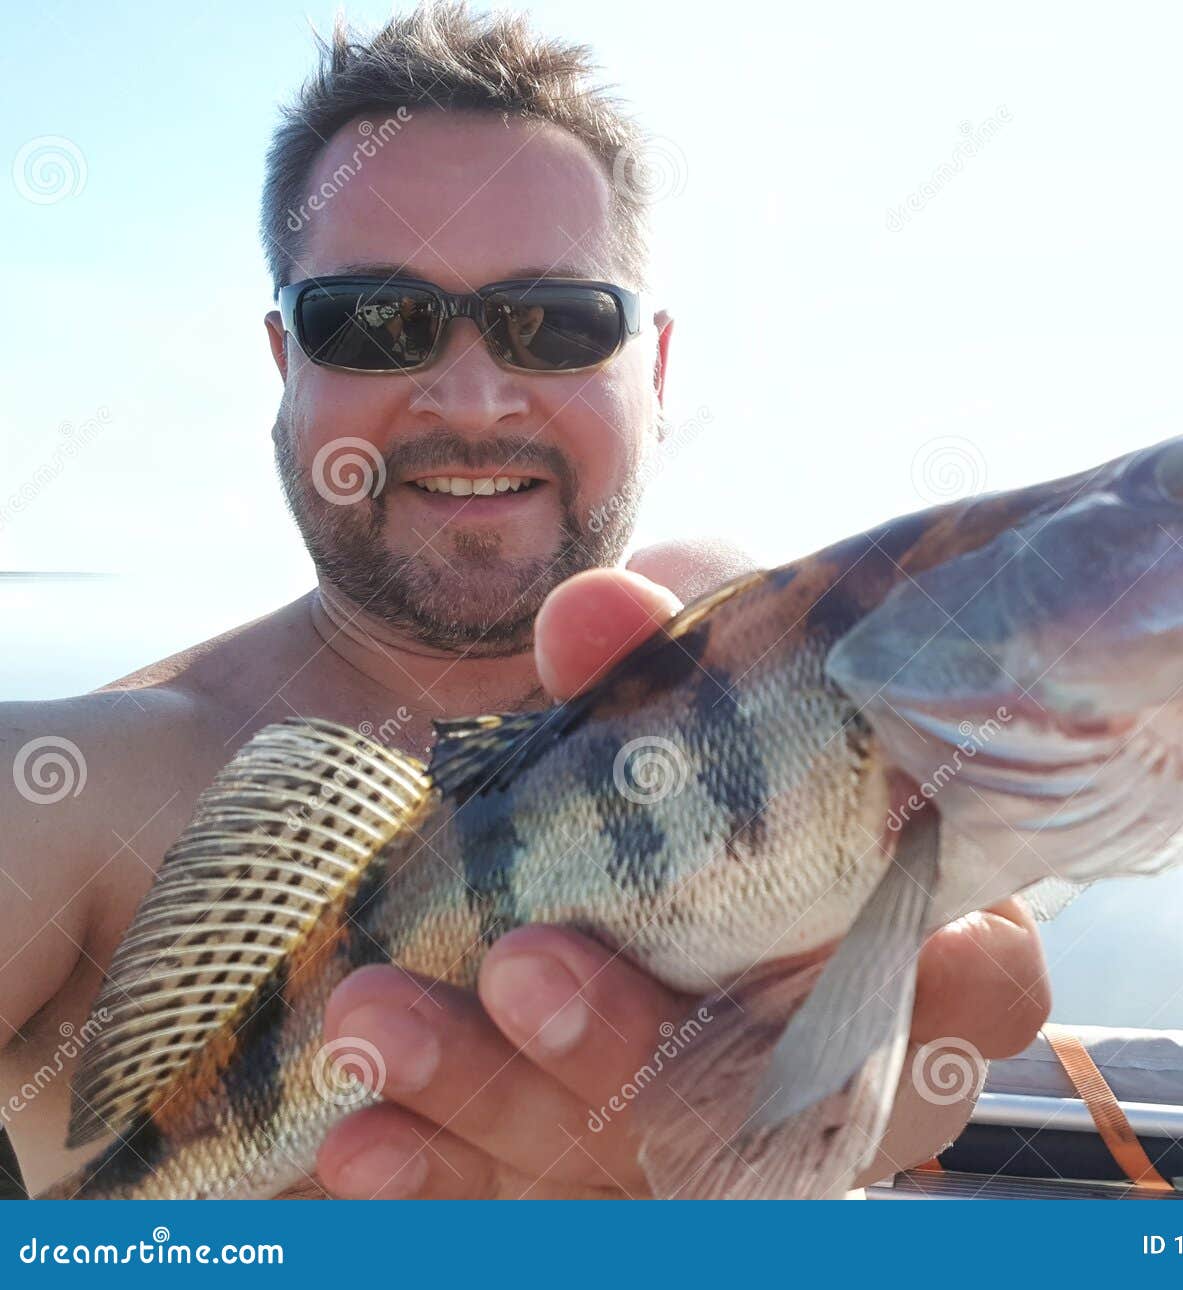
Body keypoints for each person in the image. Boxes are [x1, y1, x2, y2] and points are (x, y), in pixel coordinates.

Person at [0, 4, 1049, 1199]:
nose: (474, 395)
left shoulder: (764, 661)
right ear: (287, 366)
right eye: (375, 321)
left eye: (553, 323)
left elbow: (947, 1064)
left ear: (651, 370)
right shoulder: (73, 792)